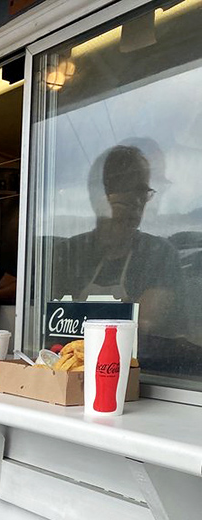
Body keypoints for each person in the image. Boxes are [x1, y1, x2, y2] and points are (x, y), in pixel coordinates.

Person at [52, 143, 184, 368]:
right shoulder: (70, 252)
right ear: (99, 196)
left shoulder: (159, 254)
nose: (137, 201)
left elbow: (146, 322)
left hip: (144, 375)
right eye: (125, 188)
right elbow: (53, 323)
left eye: (142, 191)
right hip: (73, 372)